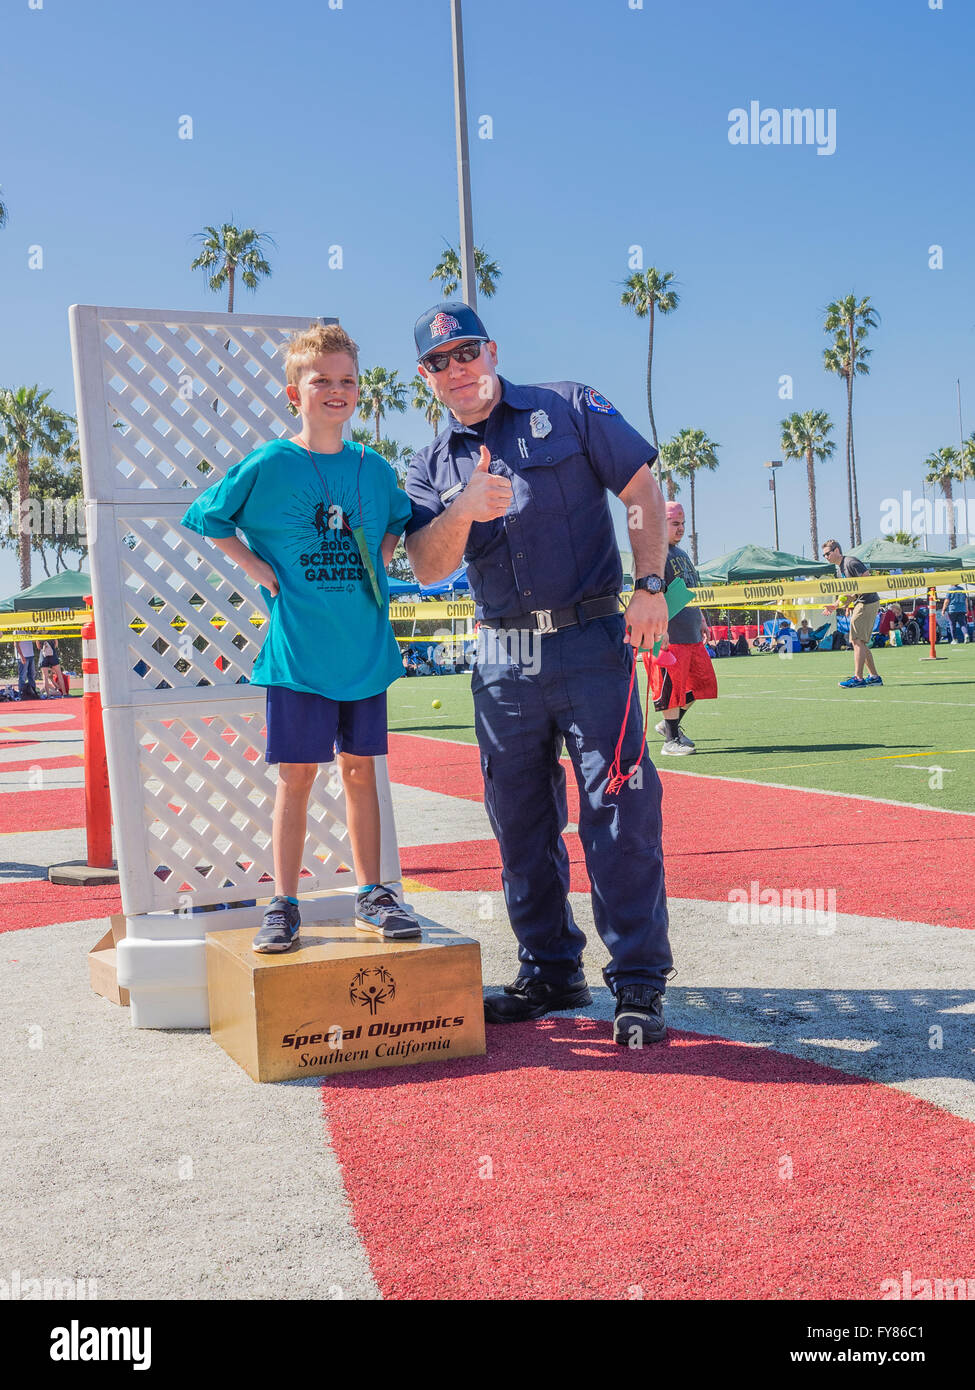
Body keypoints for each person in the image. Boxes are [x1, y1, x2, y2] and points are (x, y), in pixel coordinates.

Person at [403, 300, 674, 1046]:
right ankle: (551, 969)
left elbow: (642, 491)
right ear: (425, 377)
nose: (455, 370)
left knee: (617, 814)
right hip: (502, 654)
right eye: (437, 362)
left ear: (489, 351)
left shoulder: (567, 405)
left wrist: (650, 587)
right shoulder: (430, 463)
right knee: (519, 823)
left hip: (590, 638)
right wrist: (464, 508)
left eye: (464, 353)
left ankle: (639, 983)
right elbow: (428, 567)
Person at [181, 322, 420, 949]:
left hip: (364, 652)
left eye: (346, 380)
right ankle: (282, 903)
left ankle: (375, 894)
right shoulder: (271, 463)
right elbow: (206, 515)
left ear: (359, 390)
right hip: (297, 655)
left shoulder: (374, 468)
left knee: (362, 772)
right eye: (322, 381)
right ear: (296, 392)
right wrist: (257, 568)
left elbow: (399, 519)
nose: (335, 390)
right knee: (296, 778)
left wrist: (386, 553)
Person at [651, 501, 717, 755]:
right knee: (670, 689)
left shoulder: (682, 554)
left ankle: (671, 725)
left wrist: (701, 619)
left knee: (702, 684)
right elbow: (651, 593)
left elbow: (692, 590)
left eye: (682, 524)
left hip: (690, 632)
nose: (680, 529)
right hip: (669, 635)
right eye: (674, 523)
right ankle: (670, 741)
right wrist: (660, 627)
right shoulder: (654, 553)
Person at [821, 539, 882, 687]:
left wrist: (853, 597)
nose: (826, 557)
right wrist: (835, 605)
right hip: (861, 602)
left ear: (836, 550)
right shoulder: (839, 568)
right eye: (824, 555)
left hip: (867, 602)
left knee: (856, 640)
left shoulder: (850, 562)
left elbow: (866, 579)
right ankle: (874, 677)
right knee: (859, 641)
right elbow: (848, 592)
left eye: (828, 553)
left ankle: (858, 678)